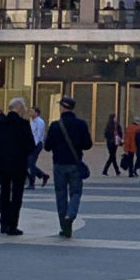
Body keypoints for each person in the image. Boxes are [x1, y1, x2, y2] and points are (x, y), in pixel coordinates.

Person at [0, 97, 36, 235]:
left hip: (3, 162)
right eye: (23, 109)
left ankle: (3, 222)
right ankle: (13, 224)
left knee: (4, 192)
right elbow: (31, 146)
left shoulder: (0, 122)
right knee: (17, 194)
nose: (24, 111)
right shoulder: (23, 124)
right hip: (18, 163)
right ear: (19, 108)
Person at [47, 96, 92, 238]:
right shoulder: (81, 124)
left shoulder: (55, 125)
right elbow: (88, 144)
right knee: (76, 193)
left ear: (62, 107)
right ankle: (70, 215)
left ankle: (64, 227)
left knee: (60, 195)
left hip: (59, 164)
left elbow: (47, 147)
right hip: (75, 163)